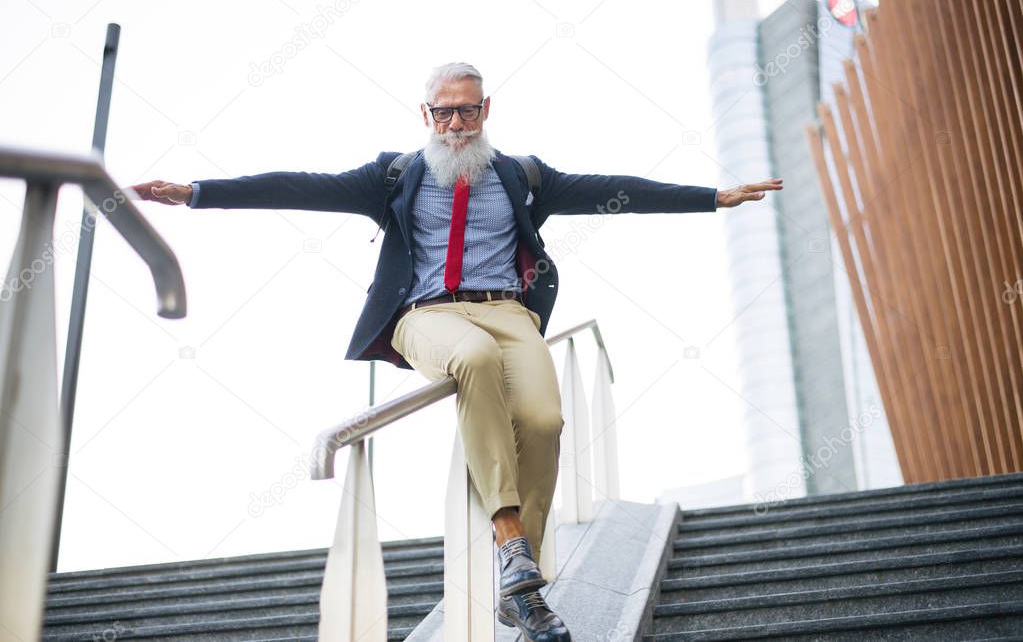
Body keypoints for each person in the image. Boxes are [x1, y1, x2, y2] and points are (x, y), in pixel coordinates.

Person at [130, 61, 781, 640]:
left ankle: (517, 592)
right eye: (443, 111)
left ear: (485, 109)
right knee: (470, 356)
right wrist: (198, 192)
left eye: (467, 109)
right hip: (427, 318)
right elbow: (301, 185)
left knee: (545, 421)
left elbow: (610, 189)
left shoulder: (522, 175)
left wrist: (710, 198)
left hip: (510, 311)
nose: (455, 122)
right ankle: (511, 542)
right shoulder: (392, 176)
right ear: (425, 114)